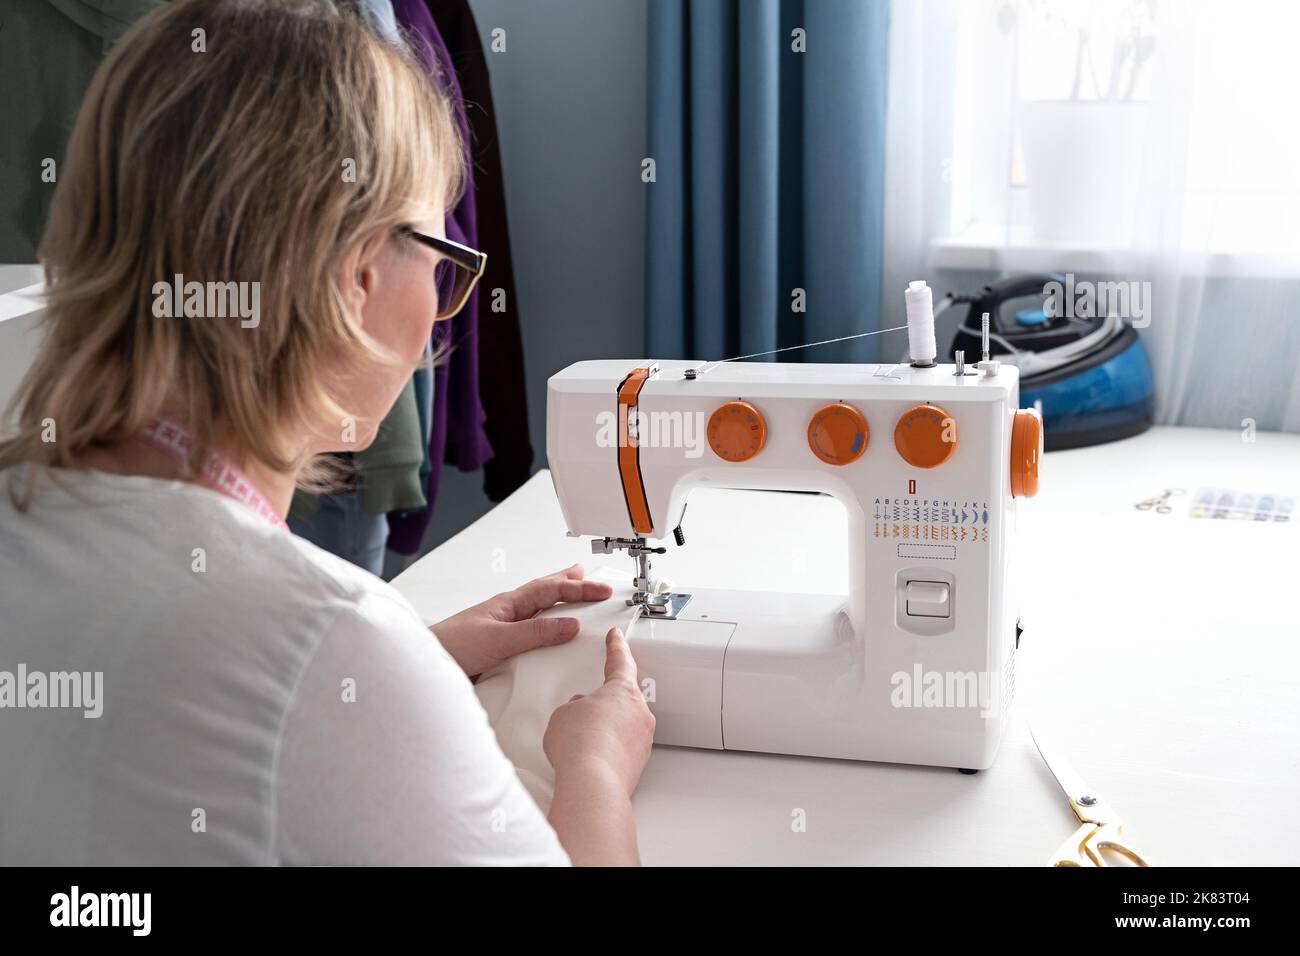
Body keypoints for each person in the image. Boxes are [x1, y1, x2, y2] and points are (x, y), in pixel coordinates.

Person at [0, 0, 653, 866]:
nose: (440, 320)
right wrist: (595, 766)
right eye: (442, 261)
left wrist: (400, 661)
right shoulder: (328, 637)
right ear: (357, 275)